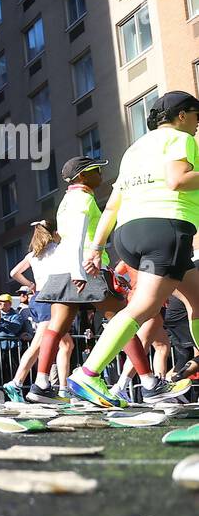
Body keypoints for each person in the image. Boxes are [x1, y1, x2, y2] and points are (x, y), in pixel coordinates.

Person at [73, 92, 199, 407]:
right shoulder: (179, 139)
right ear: (181, 115)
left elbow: (114, 202)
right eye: (197, 116)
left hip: (128, 233)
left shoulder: (134, 149)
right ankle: (88, 374)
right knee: (142, 308)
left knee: (198, 297)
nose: (198, 125)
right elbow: (178, 180)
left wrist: (96, 245)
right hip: (165, 227)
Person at [27, 156, 181, 405]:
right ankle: (150, 383)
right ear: (82, 176)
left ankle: (41, 384)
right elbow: (77, 236)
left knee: (56, 327)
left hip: (65, 269)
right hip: (86, 268)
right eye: (95, 170)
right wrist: (80, 272)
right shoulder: (83, 198)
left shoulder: (67, 199)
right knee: (124, 321)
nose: (100, 174)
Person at [3, 221, 72, 403]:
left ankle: (63, 390)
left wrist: (30, 285)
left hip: (40, 297)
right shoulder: (57, 249)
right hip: (51, 298)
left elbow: (14, 272)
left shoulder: (34, 254)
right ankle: (16, 382)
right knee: (38, 344)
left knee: (66, 345)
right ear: (54, 232)